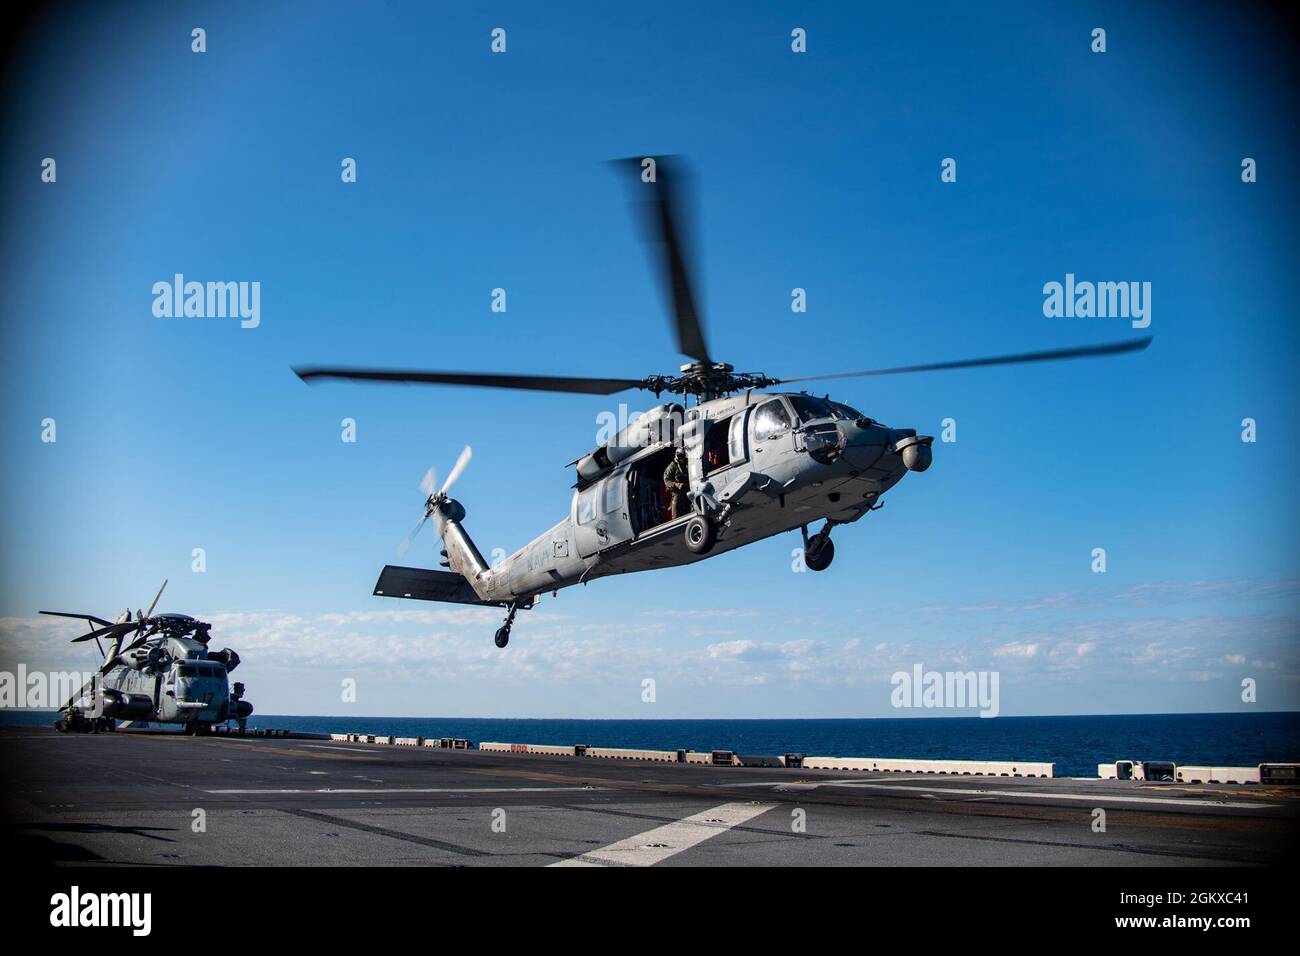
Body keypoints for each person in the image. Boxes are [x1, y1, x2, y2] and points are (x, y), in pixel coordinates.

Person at [663, 448, 689, 519]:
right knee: (676, 514)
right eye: (680, 456)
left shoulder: (685, 464)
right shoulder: (672, 466)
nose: (682, 459)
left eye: (683, 456)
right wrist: (675, 484)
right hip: (677, 493)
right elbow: (666, 480)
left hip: (687, 491)